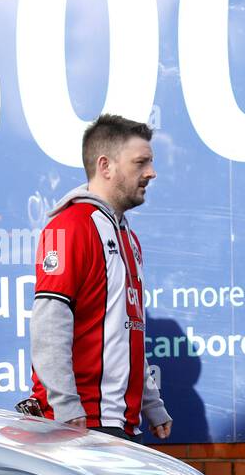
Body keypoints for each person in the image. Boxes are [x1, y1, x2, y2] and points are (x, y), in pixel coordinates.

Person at [30, 114, 171, 441]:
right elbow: (49, 325)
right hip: (80, 423)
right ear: (105, 166)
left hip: (117, 422)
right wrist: (67, 408)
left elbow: (126, 332)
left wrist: (151, 402)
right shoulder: (70, 227)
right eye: (141, 162)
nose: (151, 172)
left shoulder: (127, 236)